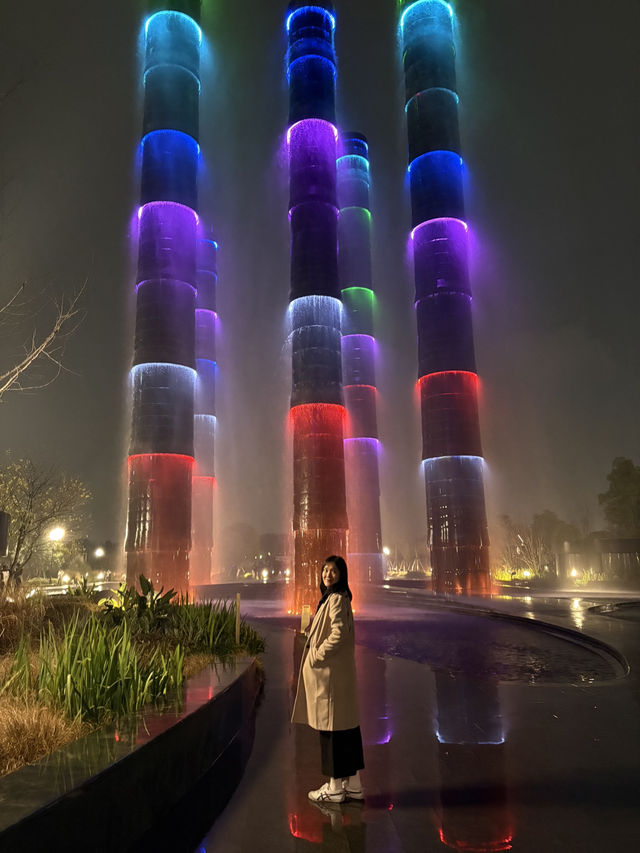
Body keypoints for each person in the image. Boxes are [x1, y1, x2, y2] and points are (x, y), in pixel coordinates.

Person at [291, 555, 365, 803]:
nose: (328, 575)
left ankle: (334, 788)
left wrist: (316, 655)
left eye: (333, 571)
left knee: (331, 731)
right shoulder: (338, 598)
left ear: (342, 574)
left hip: (330, 676)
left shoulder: (335, 599)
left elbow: (338, 633)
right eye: (325, 570)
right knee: (347, 729)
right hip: (338, 676)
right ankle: (353, 784)